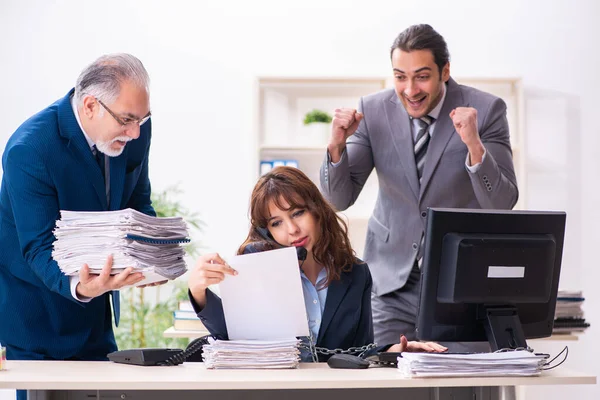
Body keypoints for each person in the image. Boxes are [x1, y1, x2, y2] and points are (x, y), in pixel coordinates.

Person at [319, 24, 519, 346]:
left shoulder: (487, 110)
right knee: (384, 381)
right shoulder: (373, 110)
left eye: (422, 76)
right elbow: (338, 198)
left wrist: (474, 145)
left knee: (460, 388)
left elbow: (502, 201)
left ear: (445, 71)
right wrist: (336, 145)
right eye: (400, 76)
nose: (410, 90)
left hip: (458, 284)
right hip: (390, 283)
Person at [0, 53, 155, 382]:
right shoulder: (30, 149)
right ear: (90, 106)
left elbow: (138, 202)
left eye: (141, 120)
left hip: (95, 319)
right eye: (127, 121)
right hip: (38, 319)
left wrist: (151, 255)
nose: (135, 133)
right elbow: (38, 247)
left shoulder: (134, 127)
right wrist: (81, 287)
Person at [188, 166, 446, 361]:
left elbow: (360, 350)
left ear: (317, 211)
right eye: (276, 223)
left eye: (298, 213)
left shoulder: (355, 273)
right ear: (267, 232)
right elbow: (232, 338)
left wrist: (392, 351)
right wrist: (199, 292)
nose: (292, 230)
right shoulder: (257, 266)